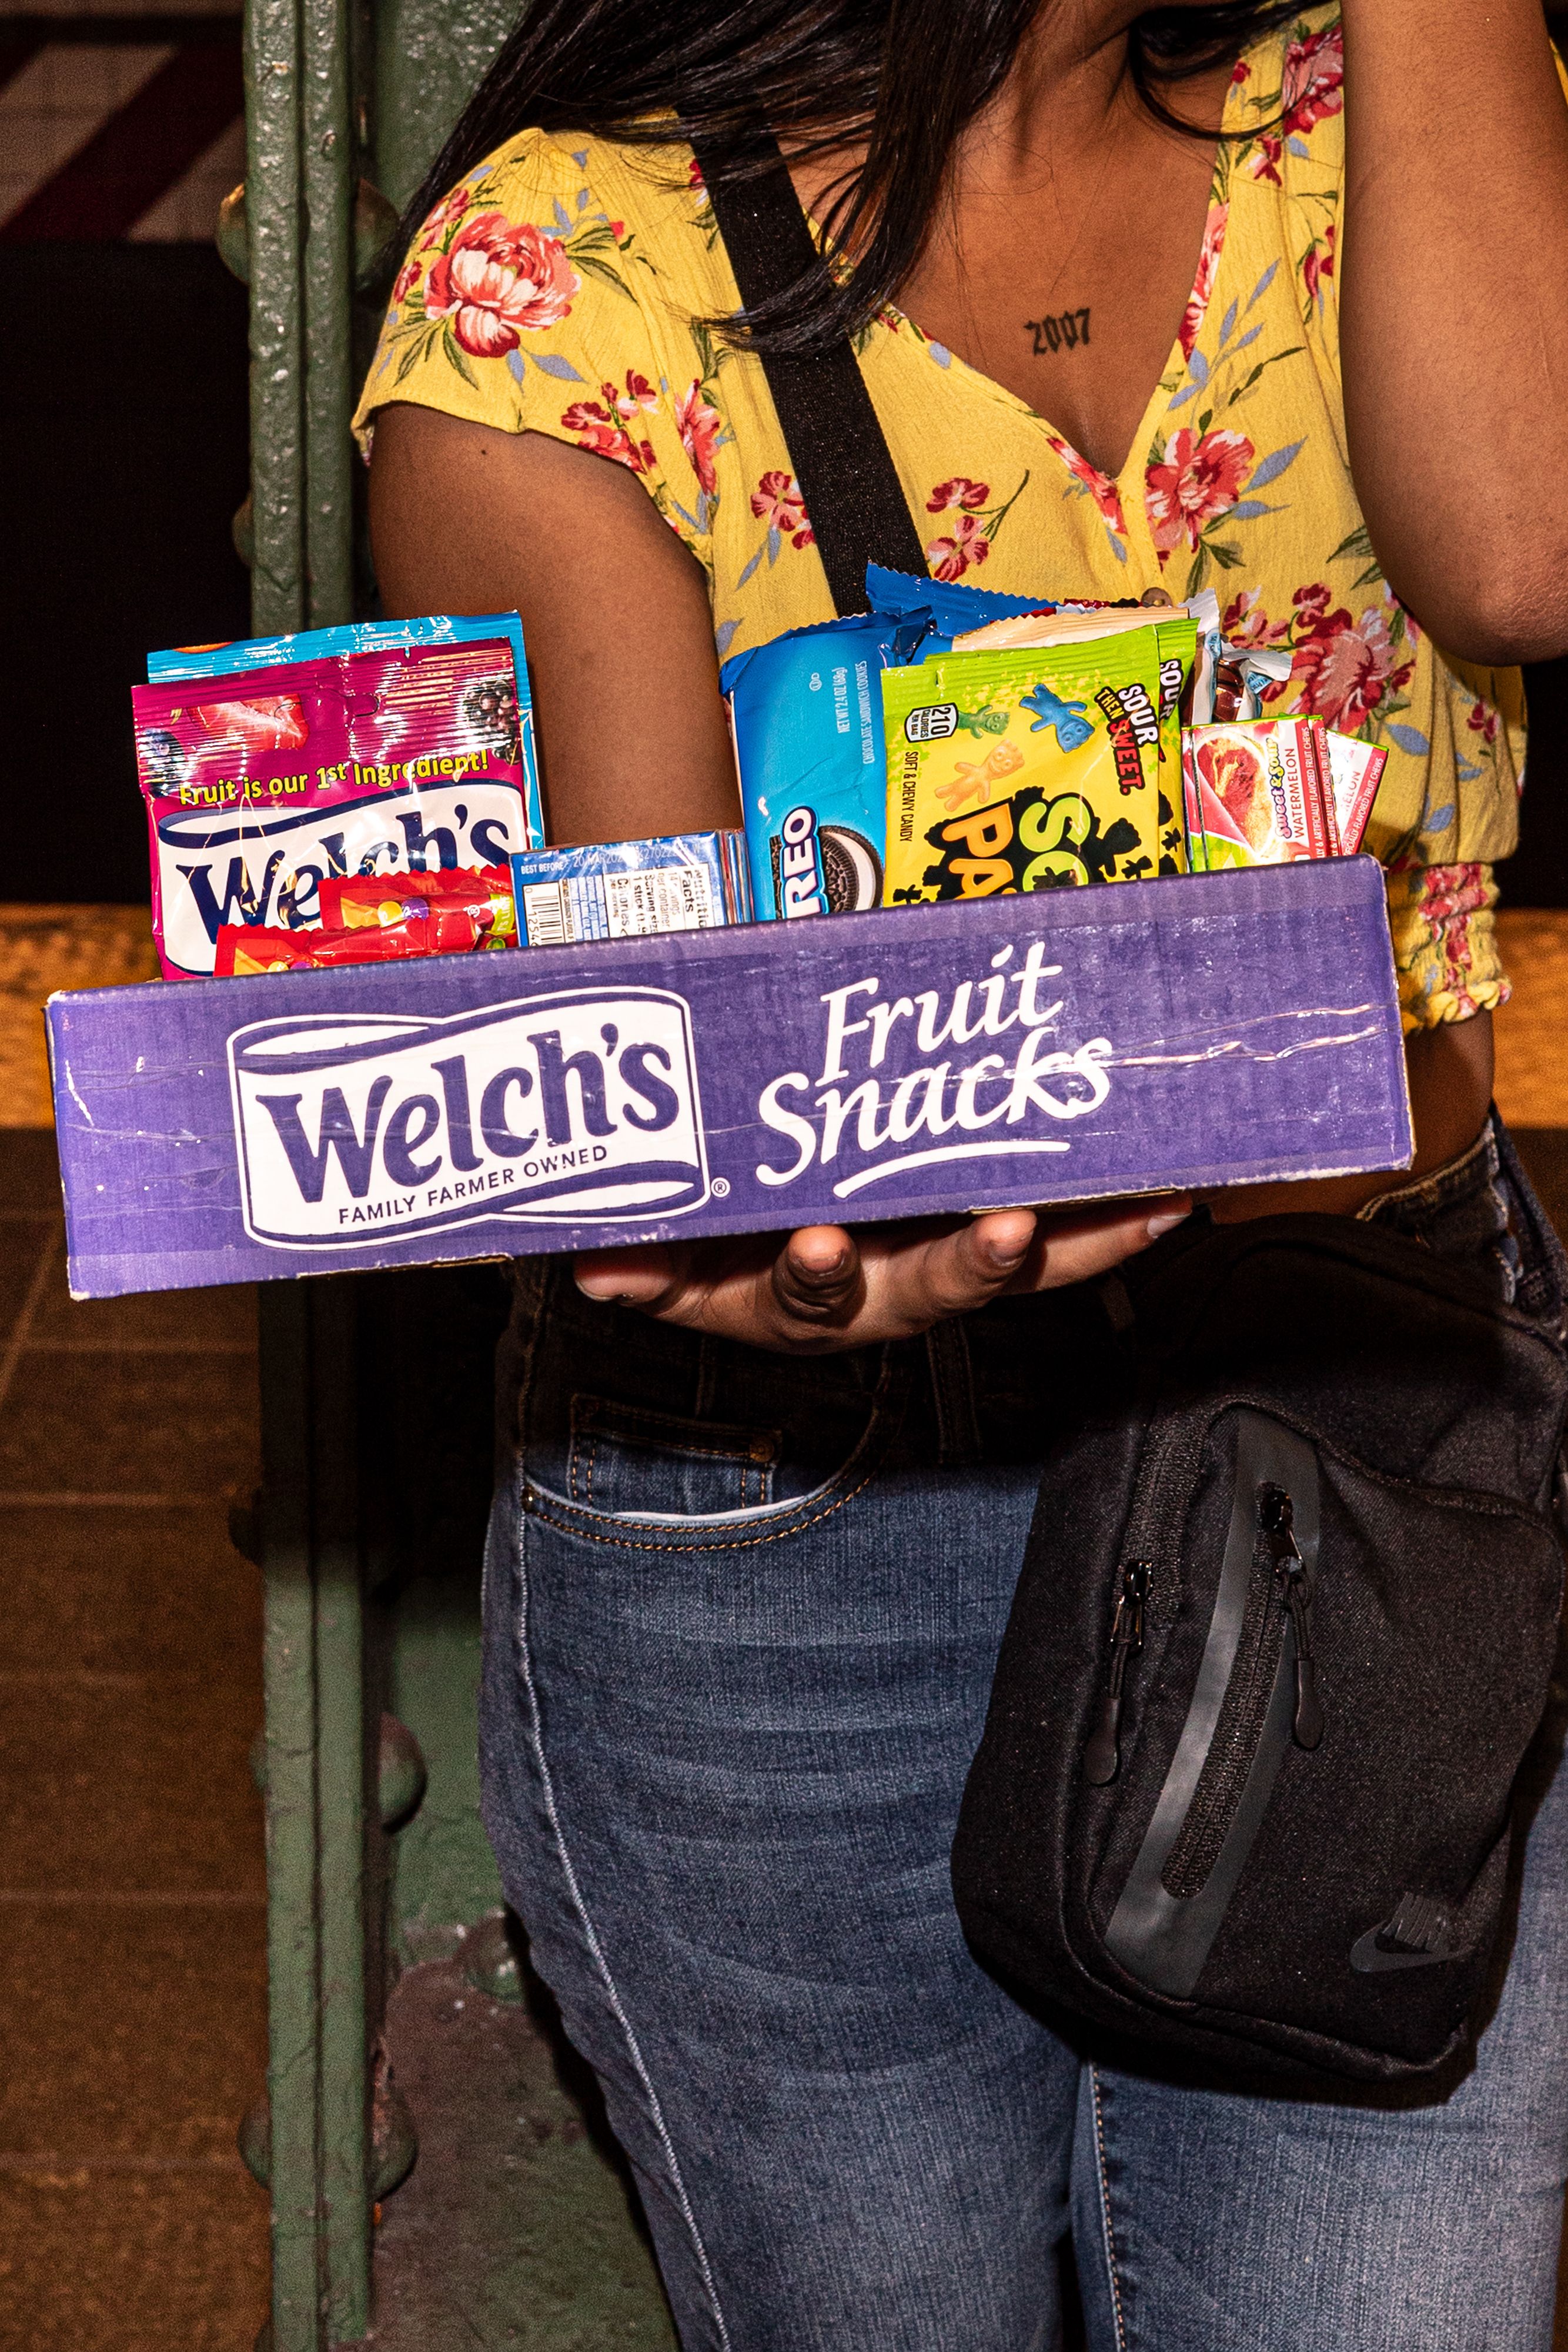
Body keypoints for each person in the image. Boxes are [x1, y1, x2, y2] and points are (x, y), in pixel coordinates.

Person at [356, 4, 1568, 2342]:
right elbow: (650, 1087)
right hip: (800, 1531)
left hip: (1372, 1416)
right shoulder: (564, 275)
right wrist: (756, 1259)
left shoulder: (1384, 113)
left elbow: (1520, 541)